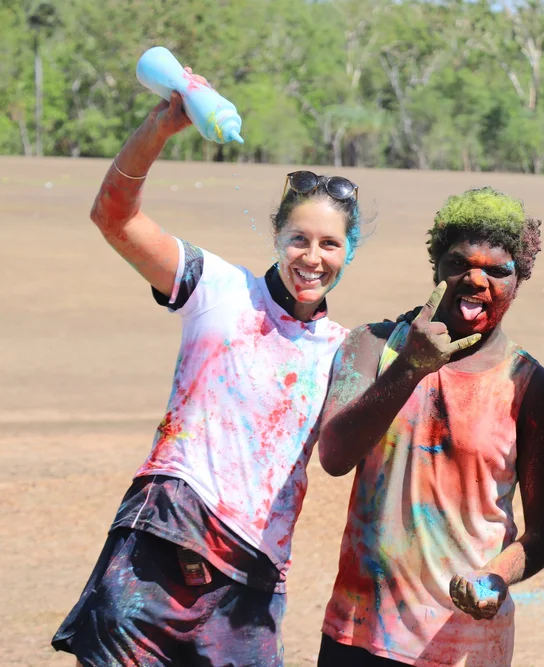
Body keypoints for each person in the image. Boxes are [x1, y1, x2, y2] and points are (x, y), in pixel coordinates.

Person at [52, 72, 366, 666]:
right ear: (277, 237)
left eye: (329, 244)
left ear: (349, 252)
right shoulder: (215, 288)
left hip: (252, 576)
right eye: (299, 239)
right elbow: (113, 216)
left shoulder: (345, 350)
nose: (312, 257)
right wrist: (159, 128)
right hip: (160, 547)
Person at [315, 187, 544, 667]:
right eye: (459, 264)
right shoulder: (372, 346)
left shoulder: (533, 388)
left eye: (498, 271)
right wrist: (409, 366)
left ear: (518, 281)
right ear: (436, 266)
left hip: (463, 643)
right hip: (360, 632)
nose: (476, 280)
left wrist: (495, 577)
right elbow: (333, 456)